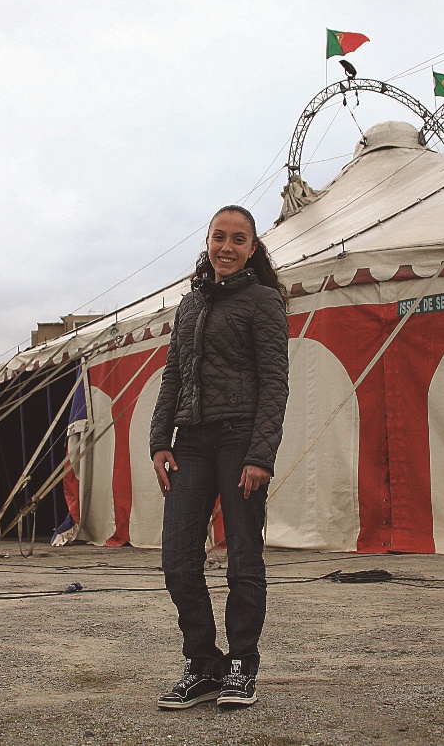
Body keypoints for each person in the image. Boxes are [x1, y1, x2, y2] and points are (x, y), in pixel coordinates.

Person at [149, 205, 289, 709]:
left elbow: (275, 382)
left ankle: (243, 666)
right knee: (177, 560)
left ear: (253, 248)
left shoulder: (264, 302)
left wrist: (261, 454)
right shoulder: (189, 305)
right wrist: (159, 439)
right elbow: (172, 375)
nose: (226, 247)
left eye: (238, 239)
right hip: (190, 442)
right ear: (207, 242)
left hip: (239, 440)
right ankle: (205, 664)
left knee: (244, 560)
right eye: (218, 237)